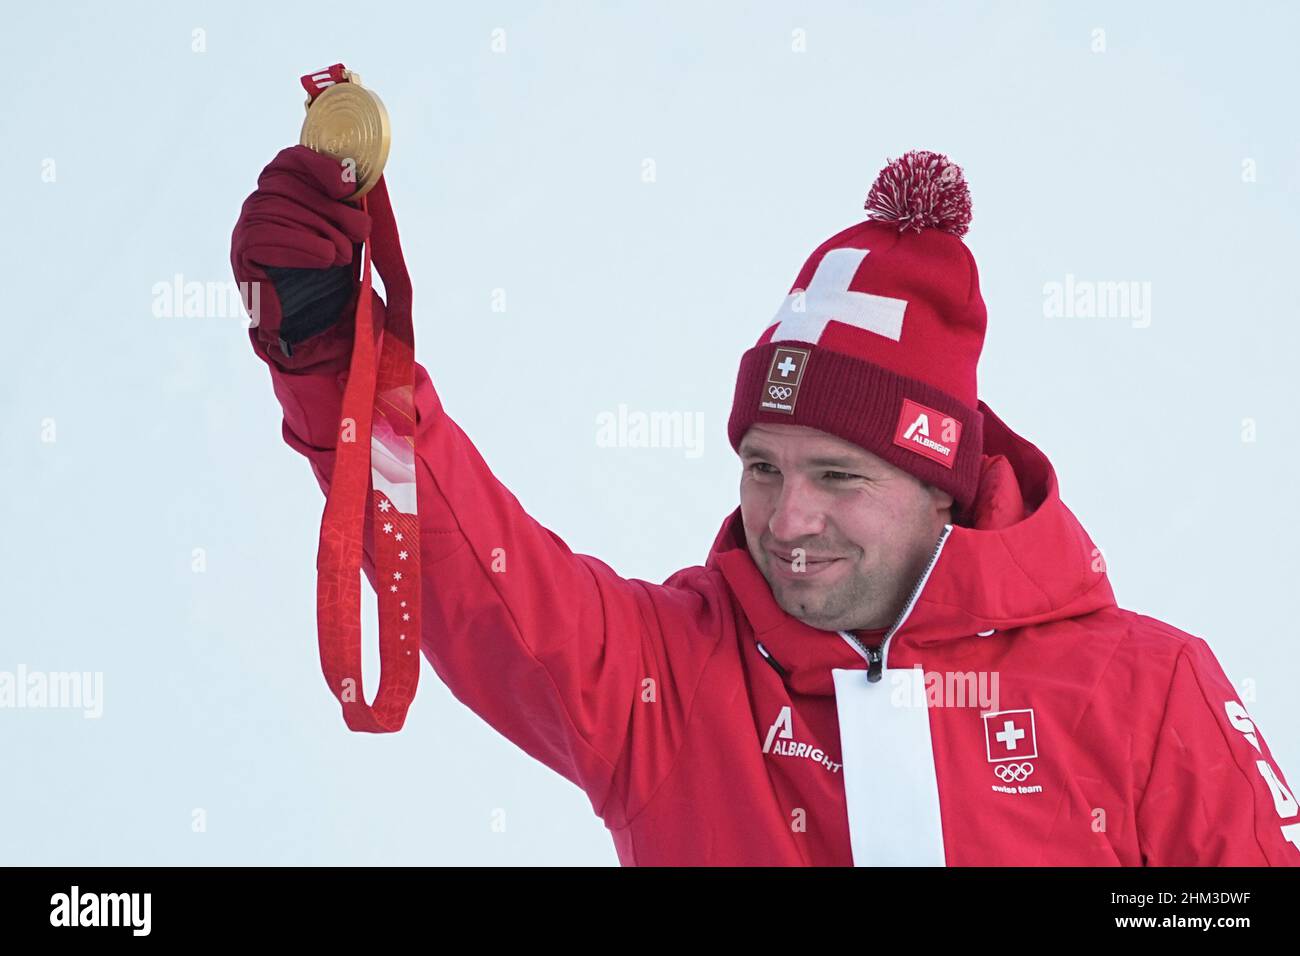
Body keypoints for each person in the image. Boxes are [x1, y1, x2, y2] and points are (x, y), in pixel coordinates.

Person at [231, 146, 1300, 866]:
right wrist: (334, 355)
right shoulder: (675, 679)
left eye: (839, 476)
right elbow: (474, 571)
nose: (787, 520)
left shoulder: (1147, 689)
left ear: (942, 482)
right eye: (761, 466)